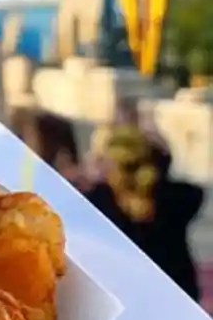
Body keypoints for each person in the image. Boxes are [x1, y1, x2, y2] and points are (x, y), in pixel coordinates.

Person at [84, 123, 204, 302]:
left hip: (127, 292)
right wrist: (162, 157)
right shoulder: (174, 197)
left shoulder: (100, 201)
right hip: (177, 291)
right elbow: (195, 192)